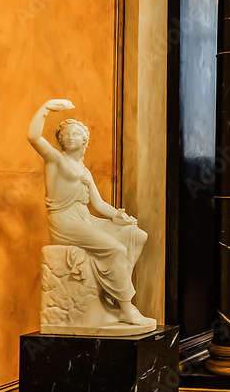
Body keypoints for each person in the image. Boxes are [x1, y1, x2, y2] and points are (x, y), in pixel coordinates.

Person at [27, 99, 150, 326]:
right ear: (60, 140)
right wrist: (45, 107)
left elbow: (99, 204)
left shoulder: (84, 170)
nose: (70, 137)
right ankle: (125, 307)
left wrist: (118, 216)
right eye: (65, 134)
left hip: (86, 218)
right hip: (65, 222)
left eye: (75, 133)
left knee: (136, 235)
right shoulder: (55, 160)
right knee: (116, 248)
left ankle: (112, 287)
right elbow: (34, 137)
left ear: (84, 140)